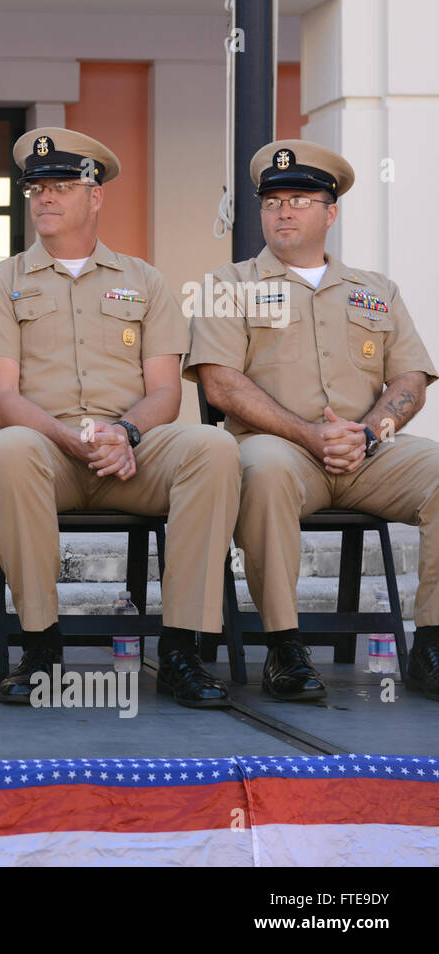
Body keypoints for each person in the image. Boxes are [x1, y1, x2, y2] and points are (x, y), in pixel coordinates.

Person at [0, 127, 240, 708]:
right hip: (48, 451)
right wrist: (70, 438)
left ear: (95, 197)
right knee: (8, 447)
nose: (44, 197)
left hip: (133, 453)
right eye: (35, 187)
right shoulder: (1, 283)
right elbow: (1, 397)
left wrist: (125, 433)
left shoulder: (144, 281)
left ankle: (180, 649)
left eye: (61, 186)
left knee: (214, 449)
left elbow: (166, 392)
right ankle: (40, 645)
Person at [186, 139, 439, 702]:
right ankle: (284, 648)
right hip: (277, 447)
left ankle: (432, 643)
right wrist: (310, 434)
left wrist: (369, 433)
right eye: (273, 201)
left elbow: (411, 380)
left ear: (331, 212)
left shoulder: (376, 290)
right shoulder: (229, 287)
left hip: (369, 452)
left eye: (300, 199)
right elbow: (221, 383)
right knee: (265, 472)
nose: (284, 211)